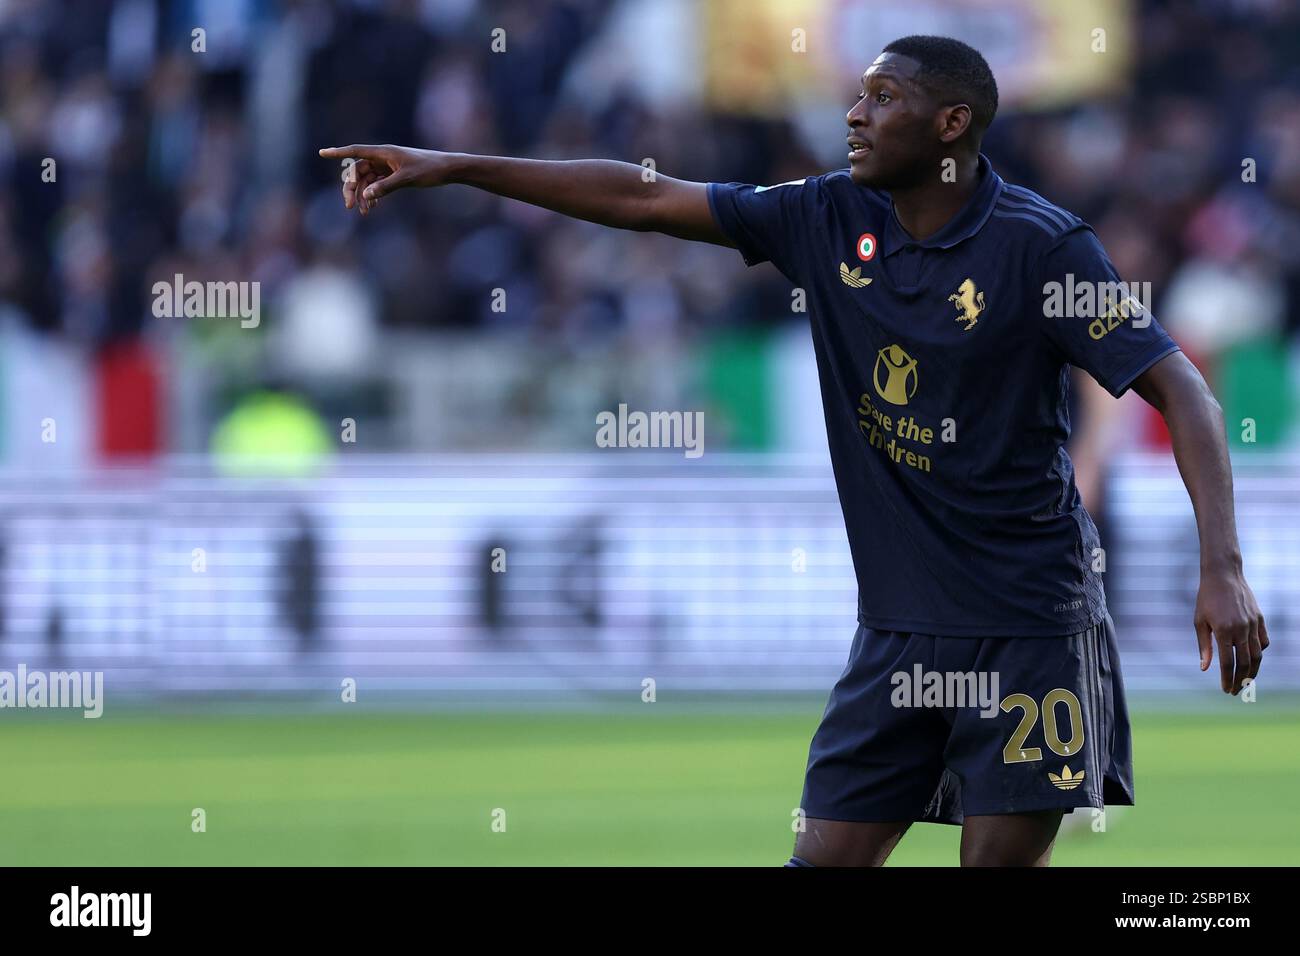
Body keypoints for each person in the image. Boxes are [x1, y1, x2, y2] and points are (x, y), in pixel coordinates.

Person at [320, 35, 1268, 867]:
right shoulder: (823, 218)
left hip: (1030, 629)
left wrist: (1220, 566)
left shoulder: (1043, 250)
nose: (854, 113)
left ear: (951, 124)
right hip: (897, 630)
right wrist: (453, 164)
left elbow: (1181, 387)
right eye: (858, 93)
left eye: (883, 98)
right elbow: (644, 199)